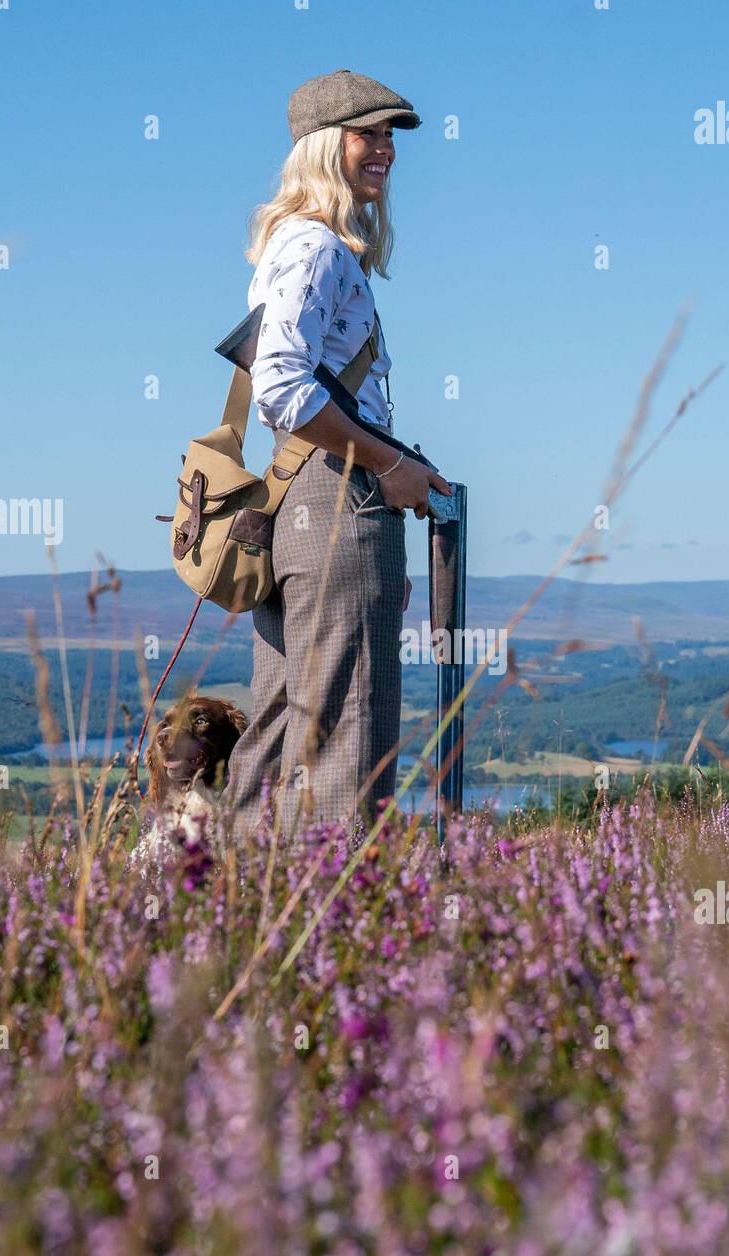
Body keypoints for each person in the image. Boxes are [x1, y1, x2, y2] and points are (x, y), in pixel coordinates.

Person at [225, 69, 452, 841]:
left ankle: (239, 921)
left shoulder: (298, 244)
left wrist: (402, 468)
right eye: (369, 133)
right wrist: (388, 468)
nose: (385, 149)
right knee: (347, 725)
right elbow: (282, 385)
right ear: (327, 147)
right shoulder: (318, 247)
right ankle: (340, 934)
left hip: (295, 500)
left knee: (285, 725)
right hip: (336, 501)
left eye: (391, 135)